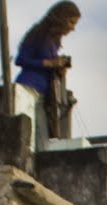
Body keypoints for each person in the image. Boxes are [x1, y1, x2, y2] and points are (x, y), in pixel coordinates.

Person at [15, 2, 81, 142]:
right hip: (28, 88)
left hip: (44, 95)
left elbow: (50, 68)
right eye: (71, 22)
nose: (72, 28)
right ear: (61, 18)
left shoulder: (54, 41)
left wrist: (59, 69)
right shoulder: (39, 33)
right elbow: (20, 60)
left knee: (42, 140)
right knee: (35, 139)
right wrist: (48, 63)